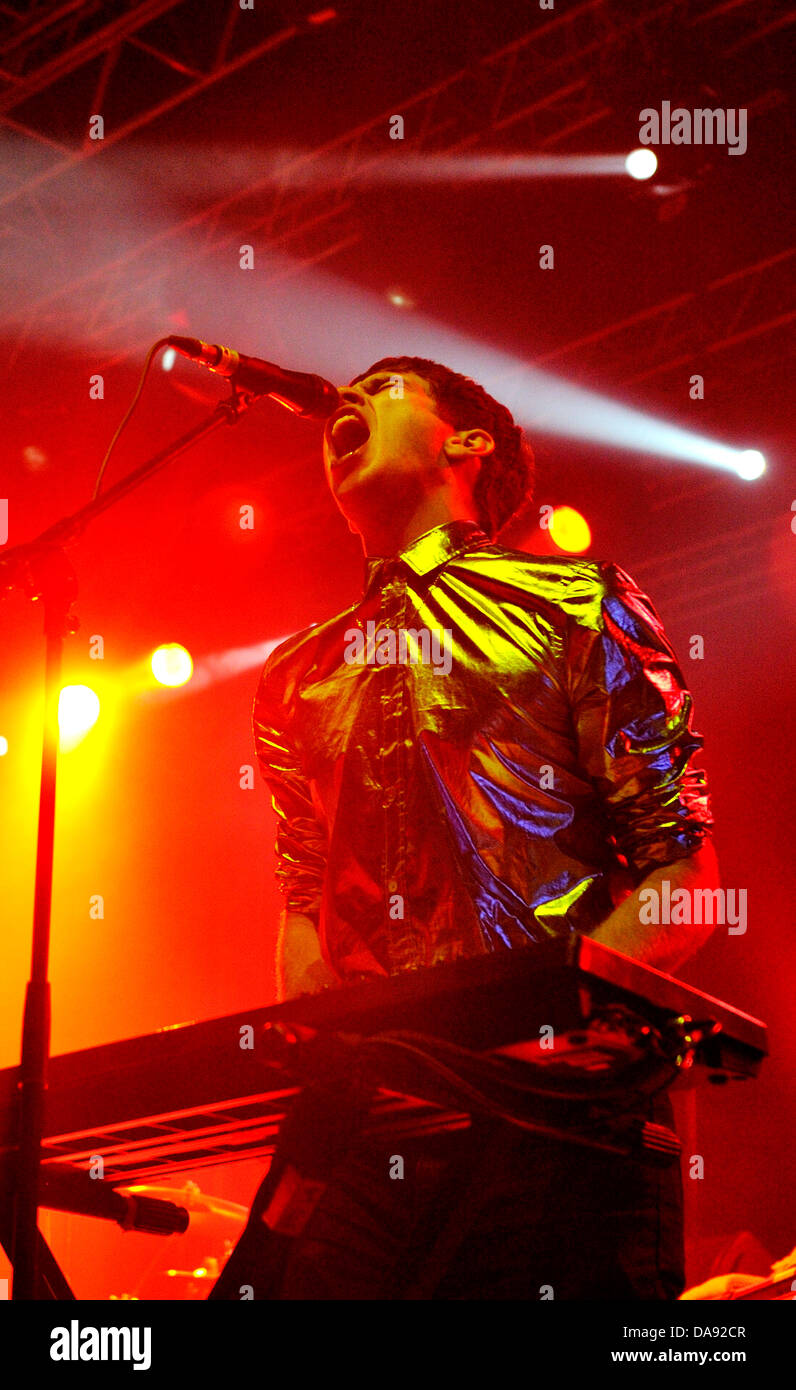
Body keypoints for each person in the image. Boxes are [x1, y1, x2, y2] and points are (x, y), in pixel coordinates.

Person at [216, 356, 718, 1300]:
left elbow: (684, 872)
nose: (349, 398)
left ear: (469, 444)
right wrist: (330, 1055)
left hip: (564, 1122)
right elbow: (301, 901)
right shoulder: (292, 676)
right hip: (376, 1134)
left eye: (385, 385)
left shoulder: (578, 604)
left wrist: (540, 1036)